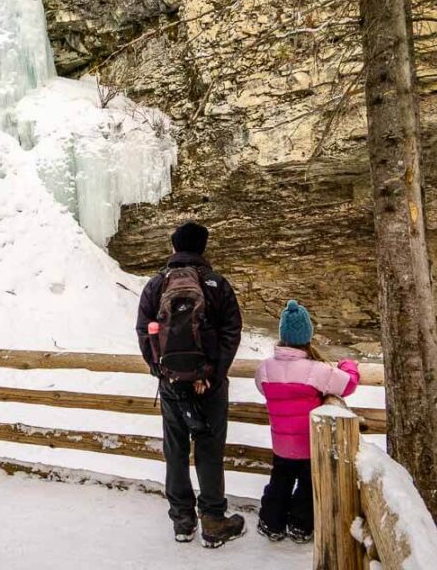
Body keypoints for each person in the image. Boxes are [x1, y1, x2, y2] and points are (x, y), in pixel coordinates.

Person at [136, 221, 246, 548]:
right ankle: (213, 519)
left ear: (174, 247)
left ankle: (182, 520)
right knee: (210, 448)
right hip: (208, 383)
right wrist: (212, 373)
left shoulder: (156, 285)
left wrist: (162, 371)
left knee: (176, 448)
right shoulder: (216, 283)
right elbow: (231, 331)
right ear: (202, 248)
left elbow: (145, 332)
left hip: (171, 383)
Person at [254, 300, 360, 543]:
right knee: (307, 485)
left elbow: (262, 388)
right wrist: (348, 365)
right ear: (307, 336)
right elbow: (348, 384)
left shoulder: (265, 368)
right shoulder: (316, 369)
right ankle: (301, 526)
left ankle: (271, 523)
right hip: (309, 442)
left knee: (279, 481)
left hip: (281, 442)